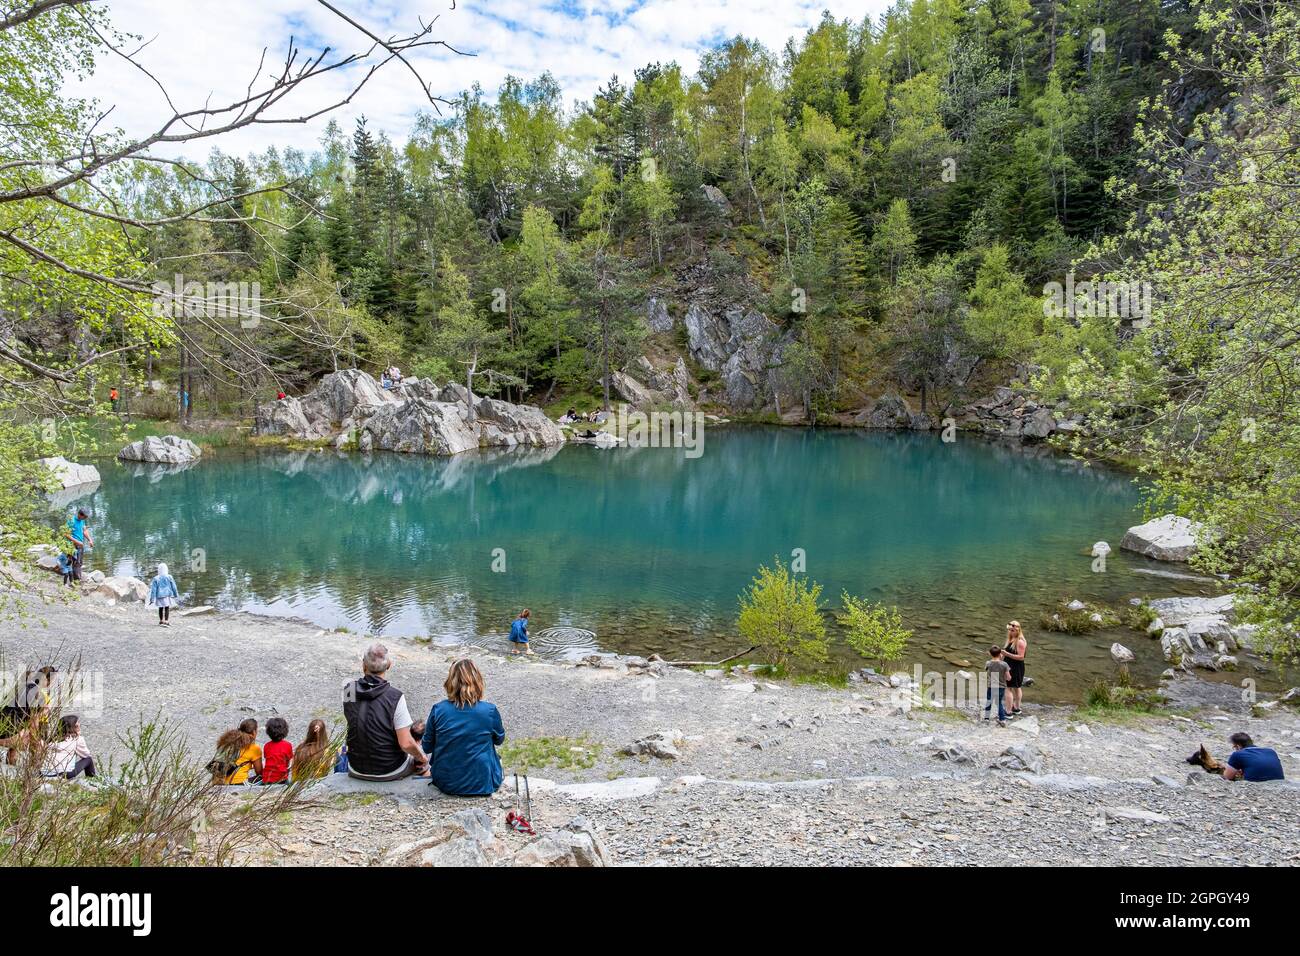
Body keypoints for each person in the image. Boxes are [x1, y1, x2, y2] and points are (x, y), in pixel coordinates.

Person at [342, 643, 428, 781]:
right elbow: (405, 744)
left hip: (355, 766)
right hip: (389, 769)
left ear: (364, 665)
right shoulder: (395, 697)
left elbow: (352, 719)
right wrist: (421, 757)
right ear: (389, 665)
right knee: (419, 749)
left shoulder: (348, 690)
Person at [421, 659, 505, 796]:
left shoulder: (438, 710)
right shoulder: (489, 710)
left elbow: (427, 747)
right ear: (477, 681)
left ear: (450, 682)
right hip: (483, 782)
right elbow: (499, 740)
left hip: (446, 782)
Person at [42, 714, 96, 780]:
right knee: (88, 759)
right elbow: (86, 755)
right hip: (64, 774)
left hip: (44, 773)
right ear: (73, 727)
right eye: (77, 724)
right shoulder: (77, 739)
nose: (79, 724)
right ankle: (92, 782)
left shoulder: (52, 739)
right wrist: (78, 735)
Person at [227, 718, 263, 784]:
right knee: (262, 778)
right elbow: (259, 773)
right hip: (238, 783)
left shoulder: (228, 743)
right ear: (254, 732)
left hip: (219, 782)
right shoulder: (254, 748)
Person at [1003, 621, 1027, 716]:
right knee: (1017, 687)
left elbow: (1021, 657)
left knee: (1008, 688)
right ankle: (1016, 708)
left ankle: (1008, 712)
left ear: (1018, 629)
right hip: (1010, 666)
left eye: (1012, 630)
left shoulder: (1020, 641)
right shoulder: (1011, 638)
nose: (1010, 632)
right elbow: (1007, 654)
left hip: (1015, 668)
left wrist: (1006, 654)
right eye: (1009, 630)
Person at [63, 508, 92, 582]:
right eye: (85, 517)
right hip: (71, 545)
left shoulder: (82, 521)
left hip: (80, 545)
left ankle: (75, 579)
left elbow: (84, 530)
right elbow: (66, 534)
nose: (85, 518)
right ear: (80, 514)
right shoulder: (71, 521)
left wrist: (90, 540)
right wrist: (76, 542)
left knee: (79, 562)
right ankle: (76, 581)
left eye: (86, 517)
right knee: (74, 562)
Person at [261, 717, 292, 785]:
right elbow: (287, 762)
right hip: (281, 779)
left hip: (266, 779)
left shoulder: (266, 746)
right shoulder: (287, 745)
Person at [983, 646, 1009, 726]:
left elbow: (985, 669)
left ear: (990, 654)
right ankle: (1002, 720)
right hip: (1001, 686)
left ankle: (987, 719)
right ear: (1000, 654)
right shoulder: (1005, 664)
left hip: (991, 686)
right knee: (999, 703)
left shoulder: (988, 663)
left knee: (989, 701)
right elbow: (1008, 677)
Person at [148, 563, 179, 627]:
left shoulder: (156, 578)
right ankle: (167, 620)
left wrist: (152, 599)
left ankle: (161, 620)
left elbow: (153, 590)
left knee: (160, 608)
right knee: (167, 607)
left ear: (158, 570)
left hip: (159, 596)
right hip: (167, 595)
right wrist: (175, 594)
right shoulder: (169, 577)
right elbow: (174, 586)